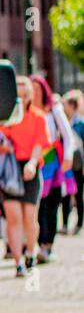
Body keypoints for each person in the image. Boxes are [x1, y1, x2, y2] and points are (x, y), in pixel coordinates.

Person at [0, 77, 50, 277]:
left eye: (25, 94)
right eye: (18, 94)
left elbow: (39, 145)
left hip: (30, 168)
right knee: (13, 218)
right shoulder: (6, 118)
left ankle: (30, 253)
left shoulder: (38, 117)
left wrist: (33, 164)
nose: (22, 98)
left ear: (30, 96)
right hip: (10, 170)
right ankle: (18, 262)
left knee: (29, 217)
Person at [30, 76, 71, 263]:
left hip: (53, 164)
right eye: (33, 88)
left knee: (52, 204)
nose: (36, 92)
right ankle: (38, 244)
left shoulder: (53, 110)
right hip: (34, 162)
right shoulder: (27, 111)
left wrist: (68, 157)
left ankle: (48, 244)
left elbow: (67, 135)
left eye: (38, 88)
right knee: (38, 205)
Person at [66, 90, 84, 235]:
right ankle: (65, 222)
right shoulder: (65, 121)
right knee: (66, 193)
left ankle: (79, 222)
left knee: (78, 193)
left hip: (78, 162)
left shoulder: (81, 123)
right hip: (67, 162)